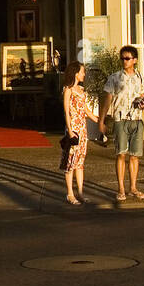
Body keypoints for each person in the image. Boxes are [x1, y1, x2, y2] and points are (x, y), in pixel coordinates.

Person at [97, 46, 144, 202]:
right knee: (121, 154)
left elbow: (143, 96)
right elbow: (108, 100)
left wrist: (143, 103)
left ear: (134, 60)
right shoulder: (115, 77)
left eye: (127, 58)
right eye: (123, 58)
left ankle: (133, 187)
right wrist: (102, 120)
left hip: (137, 119)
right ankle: (121, 188)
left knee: (135, 155)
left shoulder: (139, 77)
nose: (124, 61)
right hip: (120, 119)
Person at [59, 62, 90, 205]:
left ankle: (81, 192)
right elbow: (66, 111)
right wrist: (70, 130)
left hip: (83, 129)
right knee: (70, 161)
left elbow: (85, 110)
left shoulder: (81, 90)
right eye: (82, 72)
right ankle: (70, 194)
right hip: (74, 129)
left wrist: (99, 120)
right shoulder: (68, 90)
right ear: (76, 73)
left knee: (80, 162)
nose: (84, 74)